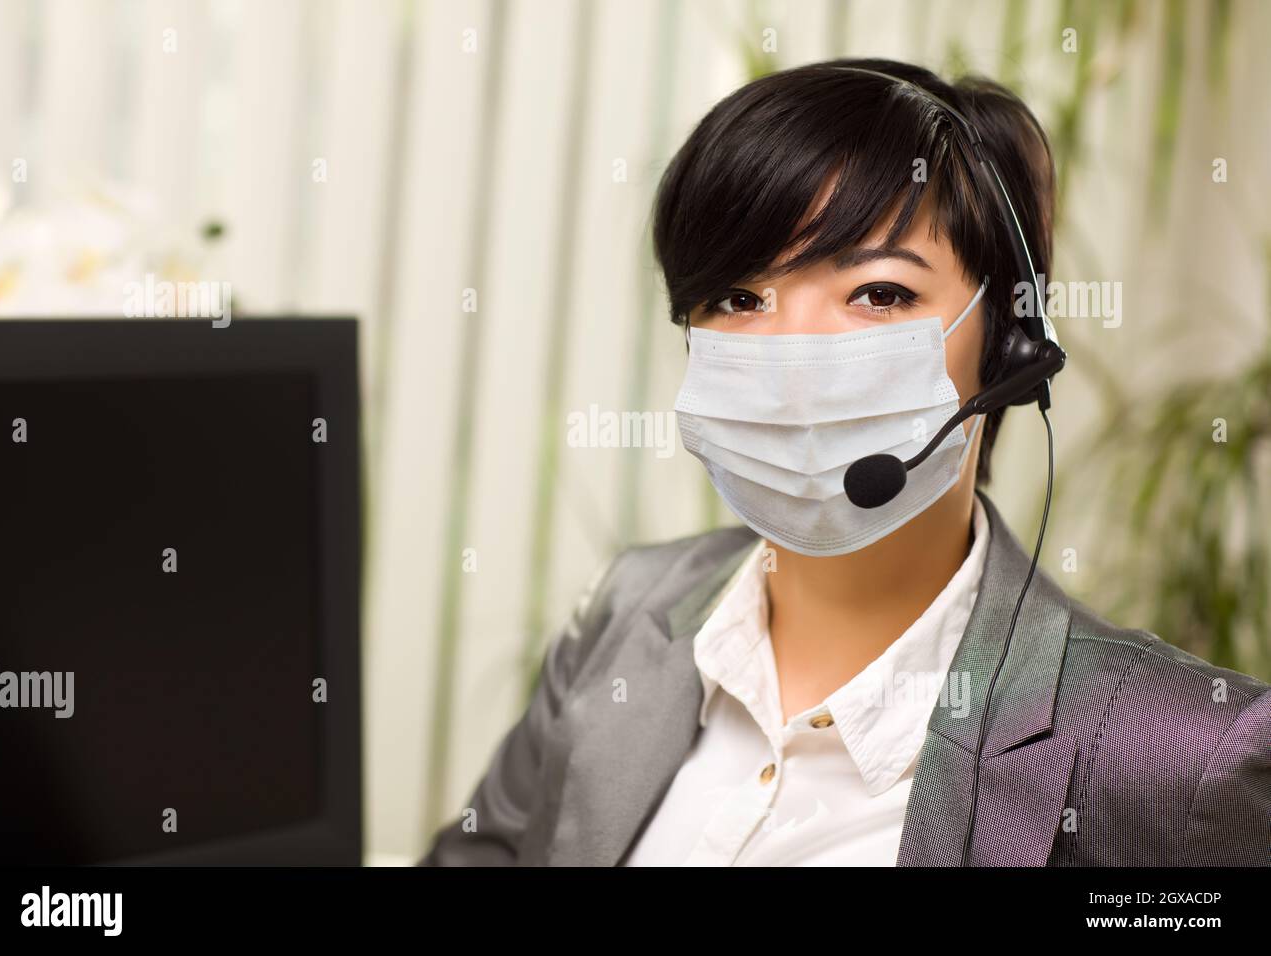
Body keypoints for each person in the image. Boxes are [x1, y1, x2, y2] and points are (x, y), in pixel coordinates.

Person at [418, 58, 1271, 866]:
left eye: (879, 293)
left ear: (1010, 349)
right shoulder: (624, 612)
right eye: (739, 298)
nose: (791, 358)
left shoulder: (1181, 752)